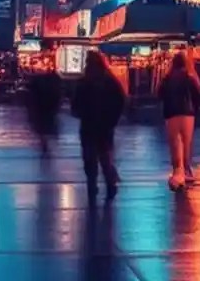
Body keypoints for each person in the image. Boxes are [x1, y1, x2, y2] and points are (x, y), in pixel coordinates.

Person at [71, 52, 126, 203]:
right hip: (105, 126)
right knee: (105, 158)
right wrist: (113, 119)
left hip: (88, 126)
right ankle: (110, 184)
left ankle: (92, 187)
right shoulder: (110, 81)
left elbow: (75, 104)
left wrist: (81, 112)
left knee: (90, 160)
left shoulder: (83, 82)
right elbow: (120, 101)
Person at [159, 51, 200, 191]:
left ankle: (177, 171)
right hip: (188, 113)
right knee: (186, 142)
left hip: (171, 113)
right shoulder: (191, 78)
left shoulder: (167, 78)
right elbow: (198, 94)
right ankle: (187, 170)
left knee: (175, 143)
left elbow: (159, 93)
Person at [26, 71, 64, 156]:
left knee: (43, 126)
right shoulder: (53, 87)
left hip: (42, 109)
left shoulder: (38, 87)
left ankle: (45, 141)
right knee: (47, 124)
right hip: (47, 109)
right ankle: (48, 140)